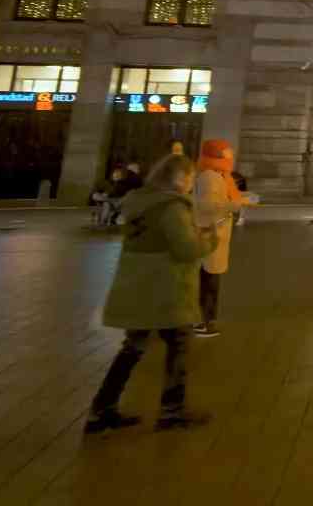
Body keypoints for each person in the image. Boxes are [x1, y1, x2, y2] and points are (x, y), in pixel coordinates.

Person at [86, 153, 217, 433]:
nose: (191, 183)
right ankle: (172, 410)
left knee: (132, 348)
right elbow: (186, 249)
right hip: (165, 287)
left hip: (137, 285)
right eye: (190, 177)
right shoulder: (171, 207)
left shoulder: (140, 202)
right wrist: (209, 237)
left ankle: (102, 409)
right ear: (179, 178)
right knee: (179, 343)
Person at [192, 139, 245, 337]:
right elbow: (207, 206)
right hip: (211, 233)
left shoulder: (218, 175)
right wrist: (234, 205)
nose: (230, 155)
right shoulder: (210, 177)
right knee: (209, 280)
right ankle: (203, 322)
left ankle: (204, 320)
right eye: (226, 152)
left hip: (215, 233)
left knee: (210, 279)